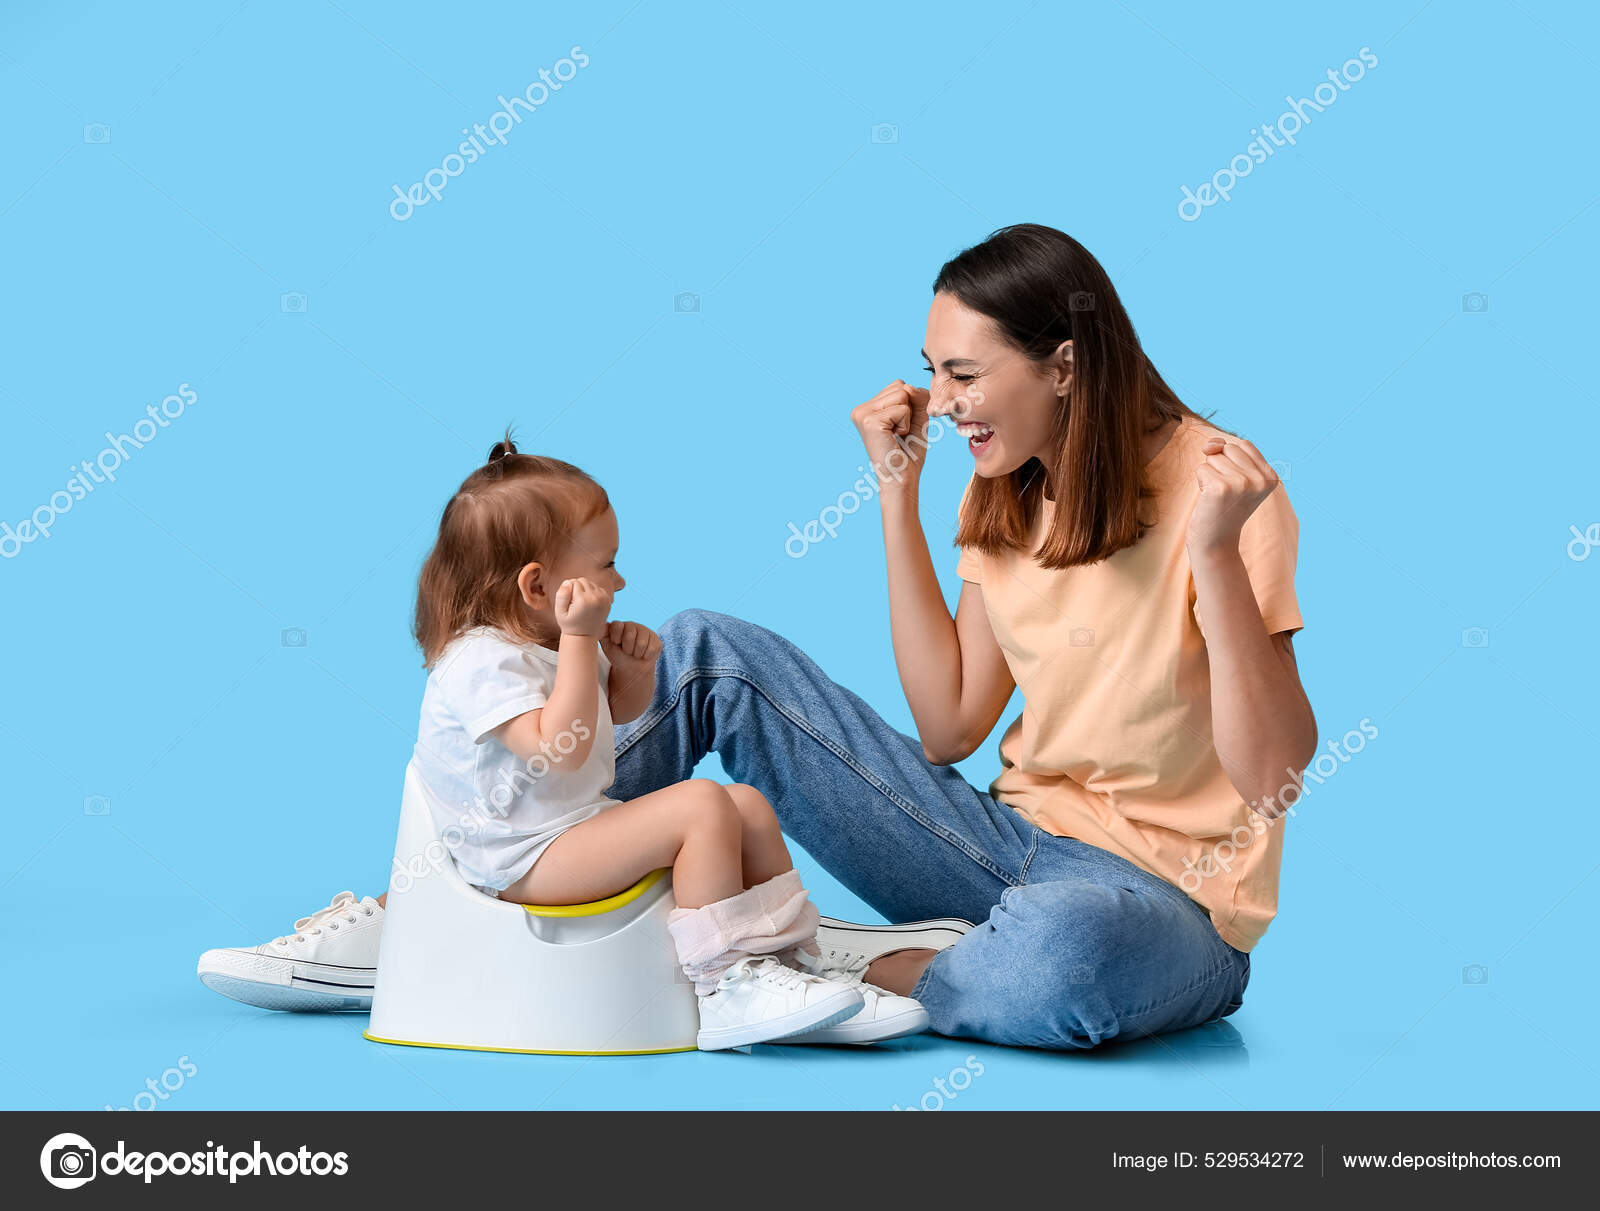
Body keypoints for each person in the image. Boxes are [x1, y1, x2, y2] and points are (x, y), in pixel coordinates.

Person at [200, 223, 1315, 1050]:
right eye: (933, 368)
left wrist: (1213, 556)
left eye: (963, 374)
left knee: (1070, 960)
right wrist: (894, 496)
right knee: (703, 648)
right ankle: (449, 896)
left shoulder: (1222, 487)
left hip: (1163, 904)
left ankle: (808, 953)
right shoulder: (1014, 491)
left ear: (1063, 364)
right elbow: (948, 724)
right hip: (1000, 849)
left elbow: (1274, 778)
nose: (939, 398)